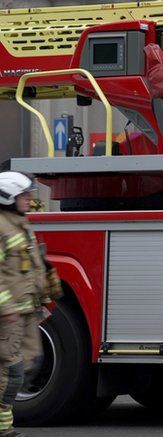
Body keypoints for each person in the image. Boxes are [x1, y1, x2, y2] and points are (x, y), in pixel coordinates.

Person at [0, 172, 62, 437]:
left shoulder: (19, 224)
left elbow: (30, 266)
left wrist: (44, 296)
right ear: (9, 196)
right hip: (10, 314)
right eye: (24, 195)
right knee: (10, 370)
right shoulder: (3, 226)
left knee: (29, 365)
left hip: (26, 310)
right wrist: (6, 308)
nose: (29, 199)